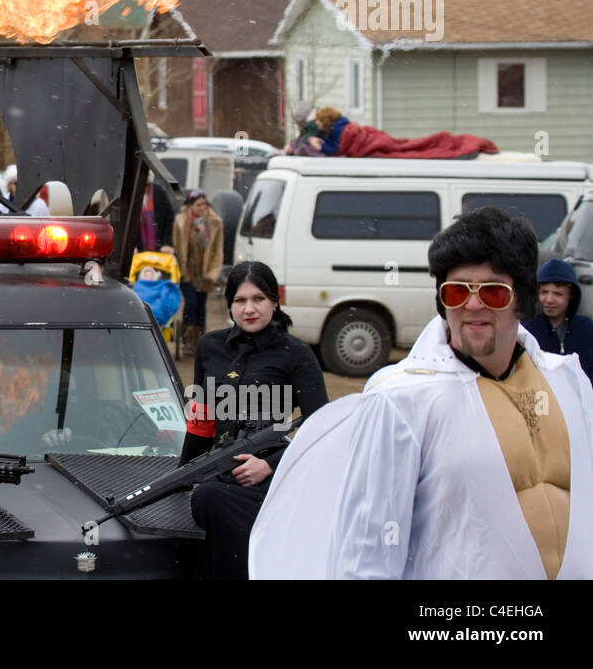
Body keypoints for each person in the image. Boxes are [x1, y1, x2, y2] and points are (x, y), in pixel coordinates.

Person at [249, 206, 593, 578]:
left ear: (522, 299)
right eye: (456, 291)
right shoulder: (401, 400)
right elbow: (368, 551)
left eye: (493, 293)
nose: (472, 305)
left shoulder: (567, 382)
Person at [181, 261, 327, 579]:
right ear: (229, 304)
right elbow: (202, 421)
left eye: (259, 299)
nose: (249, 309)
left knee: (212, 499)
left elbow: (321, 429)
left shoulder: (296, 353)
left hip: (275, 479)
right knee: (205, 497)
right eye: (240, 300)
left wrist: (270, 465)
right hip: (218, 473)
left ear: (275, 302)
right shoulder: (209, 346)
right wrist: (182, 475)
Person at [523, 258, 593, 383]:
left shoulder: (586, 328)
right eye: (544, 292)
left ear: (571, 295)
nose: (549, 299)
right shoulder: (526, 328)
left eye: (558, 294)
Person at [172, 189, 224, 352]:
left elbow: (217, 249)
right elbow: (176, 244)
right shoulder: (181, 222)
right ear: (190, 205)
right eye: (198, 204)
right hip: (186, 270)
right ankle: (188, 339)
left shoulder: (215, 222)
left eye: (204, 204)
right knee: (191, 303)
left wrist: (213, 271)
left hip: (204, 271)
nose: (202, 207)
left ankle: (201, 341)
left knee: (201, 306)